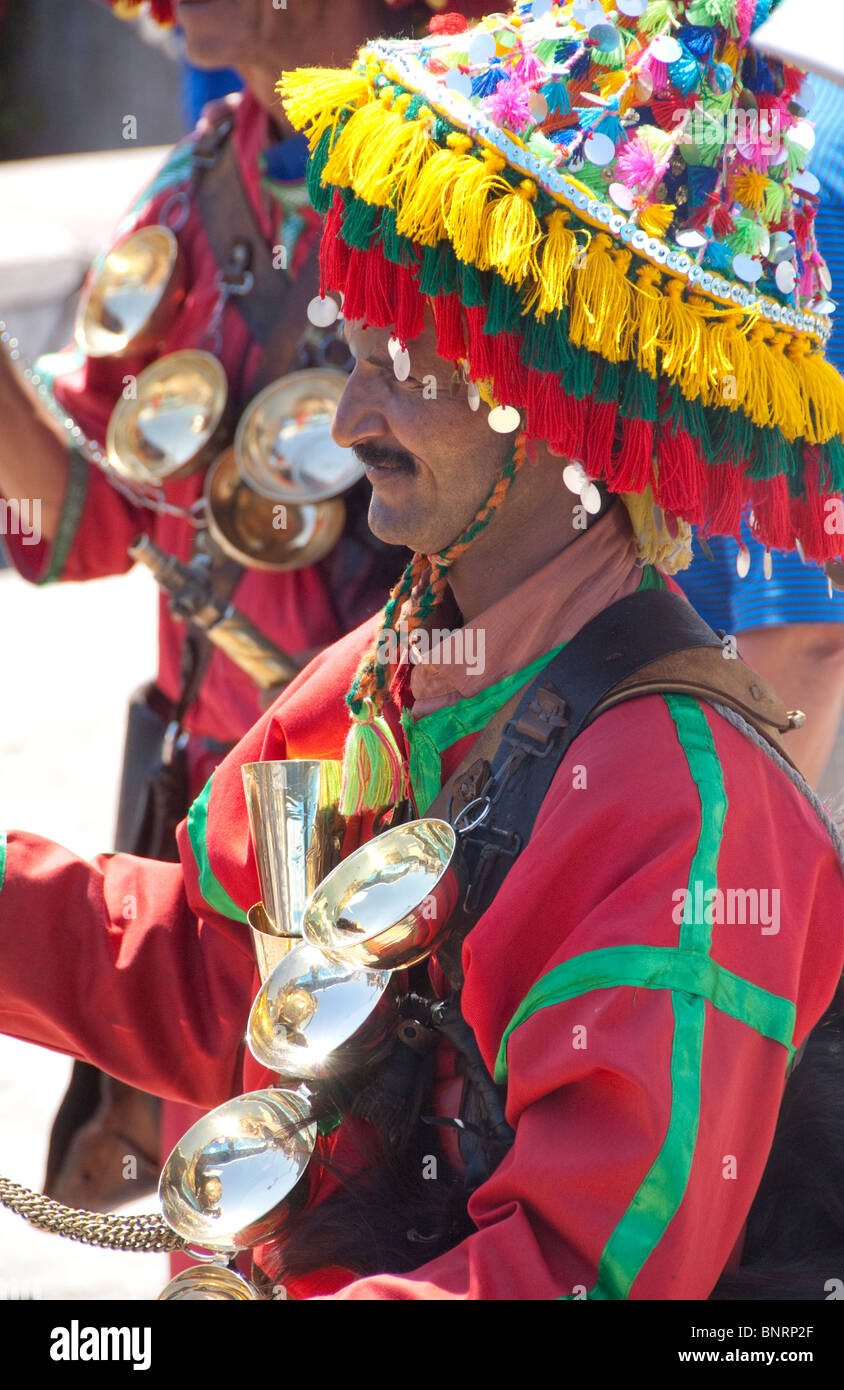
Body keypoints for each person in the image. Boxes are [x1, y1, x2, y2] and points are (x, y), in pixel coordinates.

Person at [1, 0, 844, 1299]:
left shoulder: (690, 819)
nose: (347, 418)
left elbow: (561, 1271)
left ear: (562, 382)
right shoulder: (387, 674)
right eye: (351, 352)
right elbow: (211, 968)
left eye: (406, 364)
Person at [0, 0, 482, 1211]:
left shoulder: (477, 181)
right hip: (225, 837)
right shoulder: (202, 182)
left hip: (432, 834)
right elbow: (88, 523)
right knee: (223, 1242)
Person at [677, 72, 844, 794]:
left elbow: (810, 622)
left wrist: (725, 886)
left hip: (791, 724)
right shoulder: (759, 115)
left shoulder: (800, 157)